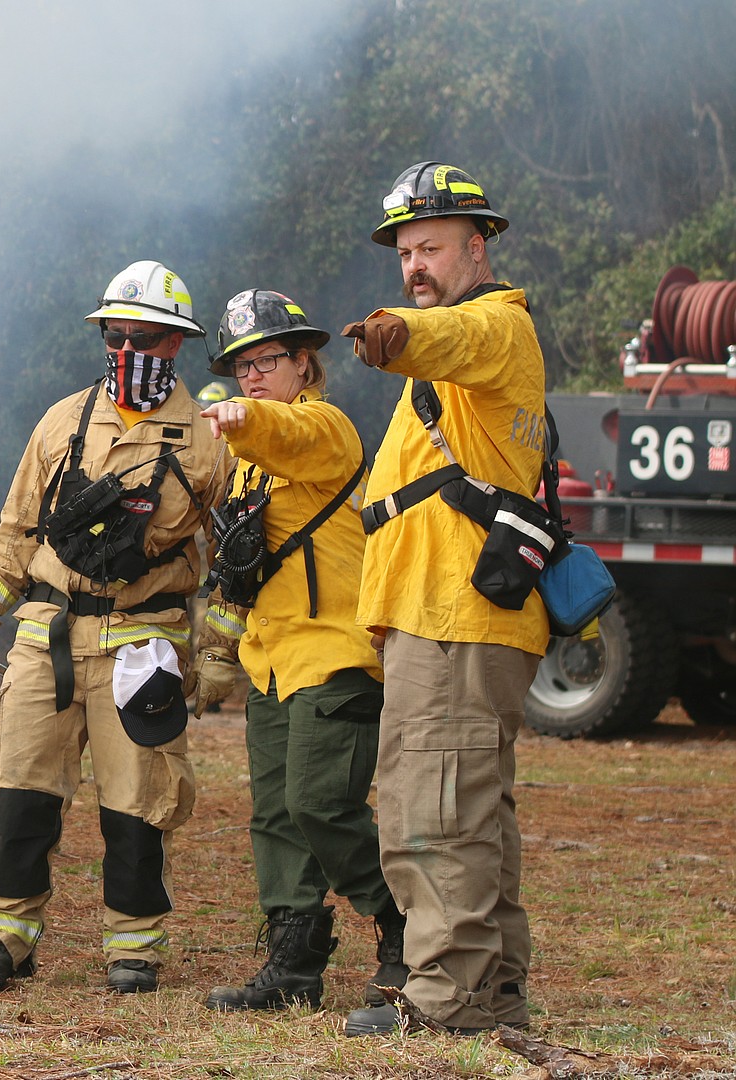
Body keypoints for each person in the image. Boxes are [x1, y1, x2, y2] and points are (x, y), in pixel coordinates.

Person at [0, 261, 231, 993]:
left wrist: (221, 651)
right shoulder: (63, 421)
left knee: (138, 801)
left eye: (149, 337)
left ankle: (133, 948)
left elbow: (232, 559)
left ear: (177, 346)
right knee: (17, 786)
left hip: (145, 641)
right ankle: (3, 935)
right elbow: (15, 532)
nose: (131, 348)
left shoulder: (210, 441)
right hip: (48, 634)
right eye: (117, 333)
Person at [338, 162, 550, 1036]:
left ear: (479, 246)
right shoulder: (466, 347)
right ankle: (493, 989)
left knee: (437, 806)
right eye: (405, 251)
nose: (415, 263)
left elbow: (444, 340)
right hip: (443, 610)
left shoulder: (494, 327)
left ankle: (448, 997)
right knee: (471, 805)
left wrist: (394, 334)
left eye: (432, 247)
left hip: (457, 613)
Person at [192, 289, 406, 1012]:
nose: (252, 375)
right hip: (272, 660)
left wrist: (239, 415)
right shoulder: (248, 467)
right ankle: (294, 965)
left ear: (303, 363)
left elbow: (281, 433)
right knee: (276, 815)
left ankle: (401, 925)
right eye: (241, 366)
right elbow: (241, 565)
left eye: (267, 360)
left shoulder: (325, 429)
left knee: (320, 803)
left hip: (337, 655)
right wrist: (219, 647)